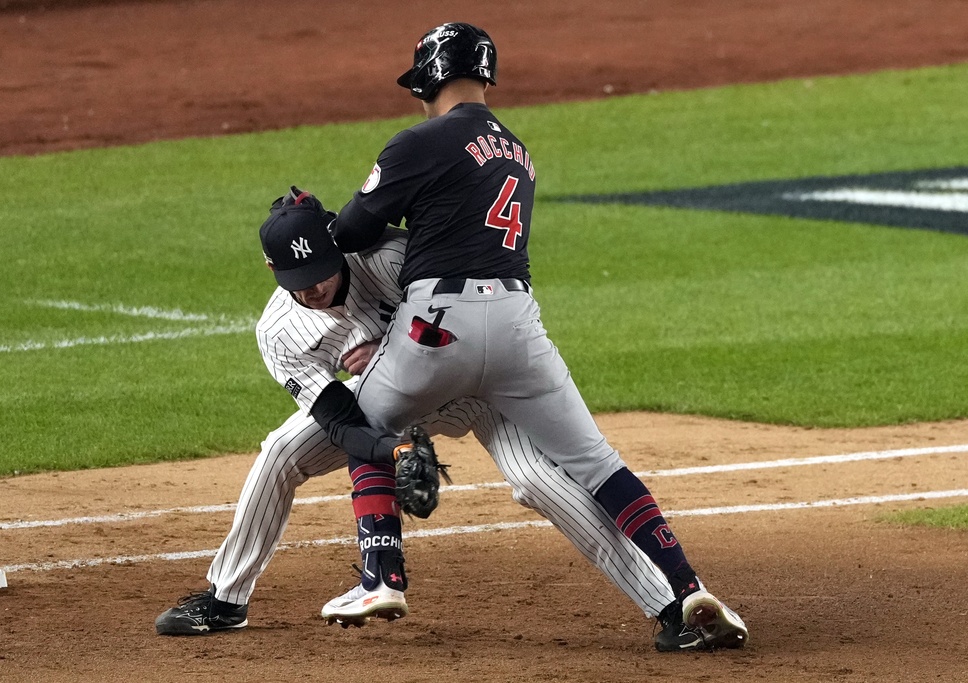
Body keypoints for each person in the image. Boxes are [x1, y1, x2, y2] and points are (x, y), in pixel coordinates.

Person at [308, 23, 748, 650]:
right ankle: (687, 584)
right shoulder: (517, 149)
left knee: (369, 429)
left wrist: (323, 227)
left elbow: (351, 231)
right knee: (598, 463)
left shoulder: (417, 142)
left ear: (430, 80)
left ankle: (382, 578)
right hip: (519, 325)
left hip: (437, 325)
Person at [154, 190, 695, 650]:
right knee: (280, 453)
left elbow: (473, 316)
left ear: (338, 244)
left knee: (539, 482)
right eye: (300, 278)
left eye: (321, 270)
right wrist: (394, 451)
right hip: (385, 407)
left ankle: (673, 607)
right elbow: (341, 421)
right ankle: (226, 600)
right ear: (272, 270)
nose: (313, 287)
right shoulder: (278, 332)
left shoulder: (392, 257)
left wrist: (392, 351)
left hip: (478, 389)